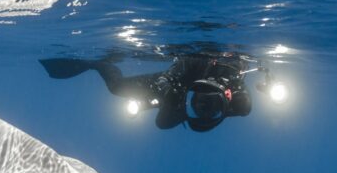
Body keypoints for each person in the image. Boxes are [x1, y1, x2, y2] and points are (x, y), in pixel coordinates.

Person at [40, 54, 253, 132]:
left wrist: (169, 96)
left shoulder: (180, 105)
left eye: (199, 109)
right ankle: (100, 63)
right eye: (208, 106)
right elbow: (167, 76)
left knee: (118, 89)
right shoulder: (231, 83)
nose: (203, 106)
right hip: (176, 81)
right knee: (118, 87)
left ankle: (97, 63)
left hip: (175, 92)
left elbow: (163, 123)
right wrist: (167, 86)